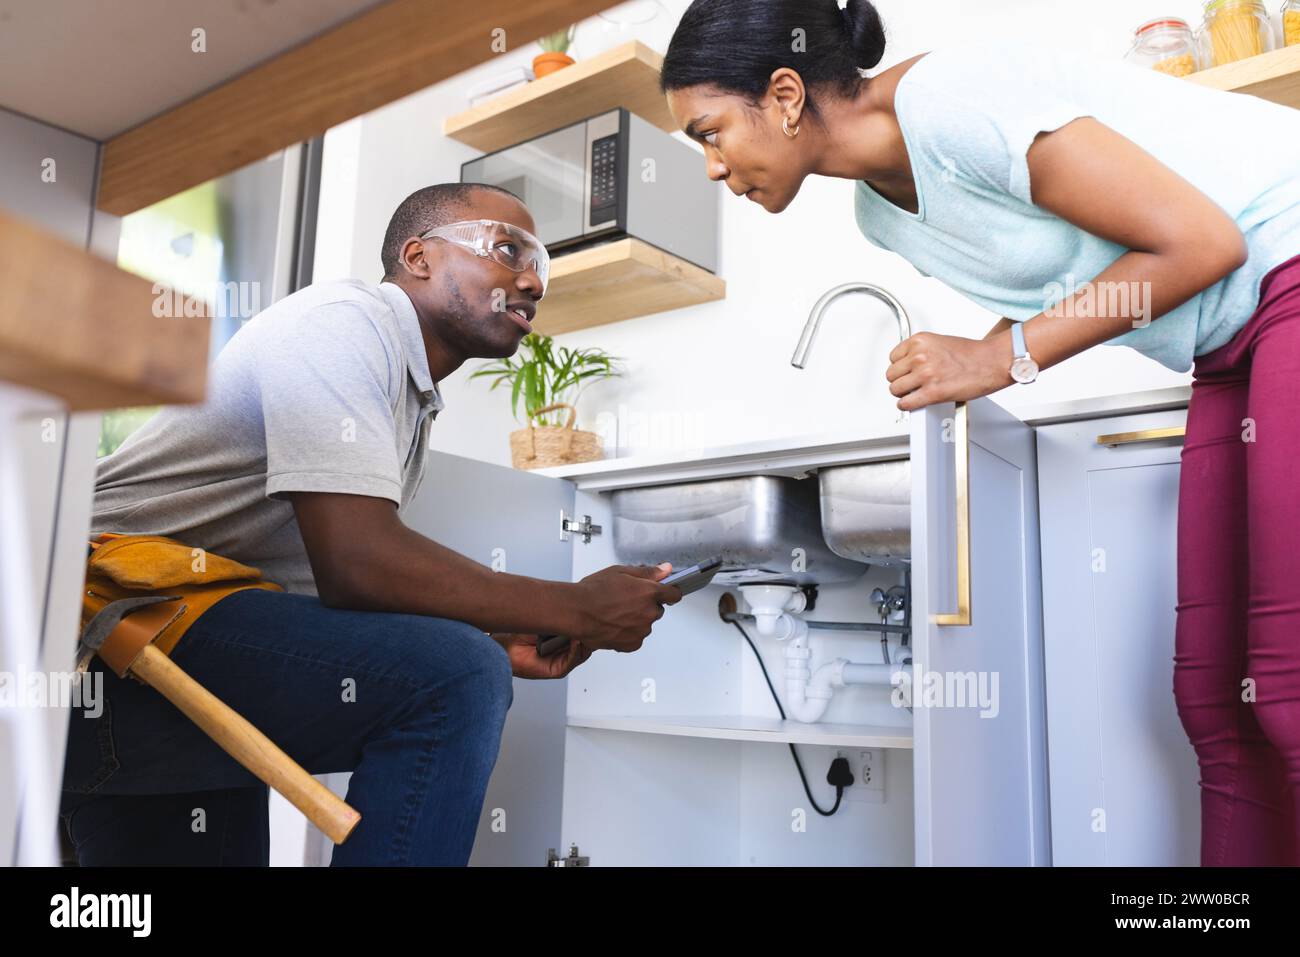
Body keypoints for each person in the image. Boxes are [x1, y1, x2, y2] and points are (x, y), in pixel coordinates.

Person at [660, 0, 1300, 865]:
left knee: (1289, 690)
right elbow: (1067, 281)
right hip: (1224, 342)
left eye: (709, 132)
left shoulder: (955, 100)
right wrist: (997, 350)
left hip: (1283, 267)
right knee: (1213, 702)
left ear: (782, 94)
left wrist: (1000, 356)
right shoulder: (880, 216)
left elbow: (1199, 242)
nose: (709, 166)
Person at [59, 183, 681, 866]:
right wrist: (575, 605)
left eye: (542, 266)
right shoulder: (342, 322)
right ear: (418, 256)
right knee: (453, 677)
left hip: (166, 663)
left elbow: (327, 590)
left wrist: (497, 633)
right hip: (92, 630)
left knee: (460, 662)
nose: (533, 278)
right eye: (509, 250)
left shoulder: (406, 397)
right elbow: (357, 563)